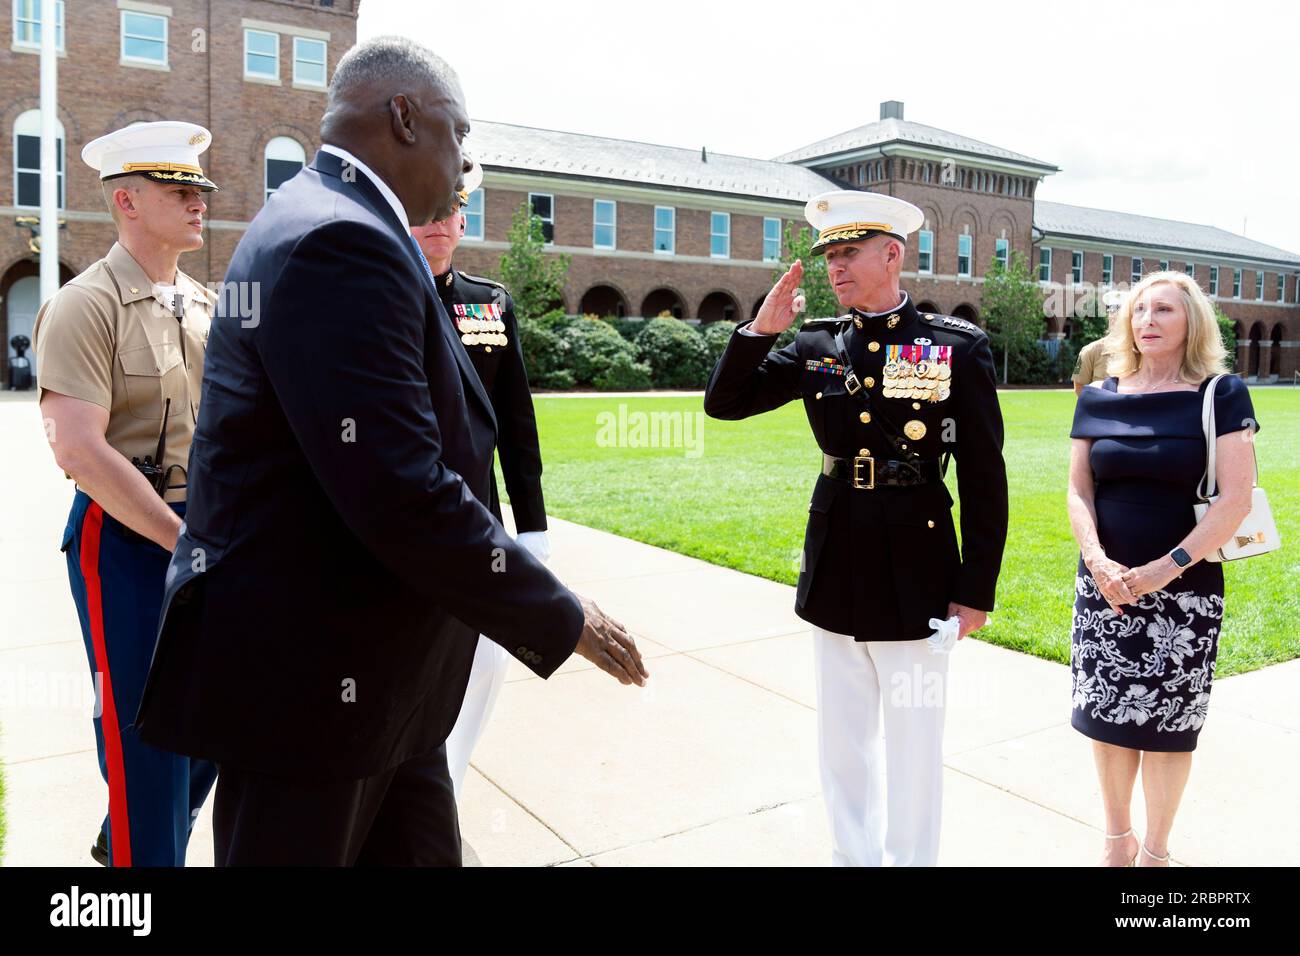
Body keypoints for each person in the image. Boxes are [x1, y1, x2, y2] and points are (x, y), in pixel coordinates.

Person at [132, 37, 647, 867]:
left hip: (377, 692)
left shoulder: (336, 218)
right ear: (404, 117)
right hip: (314, 695)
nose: (463, 160)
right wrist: (558, 613)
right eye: (458, 133)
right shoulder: (340, 241)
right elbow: (398, 489)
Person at [704, 190, 1008, 866]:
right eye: (830, 256)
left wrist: (975, 590)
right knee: (842, 740)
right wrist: (760, 331)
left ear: (891, 254)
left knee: (913, 741)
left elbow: (985, 477)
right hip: (838, 555)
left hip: (920, 567)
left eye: (848, 253)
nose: (834, 267)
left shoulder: (954, 347)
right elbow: (724, 404)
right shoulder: (816, 345)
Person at [32, 121, 220, 867]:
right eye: (181, 190)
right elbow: (78, 449)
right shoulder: (86, 304)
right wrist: (183, 542)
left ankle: (134, 834)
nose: (200, 201)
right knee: (144, 731)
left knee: (219, 718)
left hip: (205, 530)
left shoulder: (206, 304)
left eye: (200, 189)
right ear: (127, 201)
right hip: (125, 542)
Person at [1067, 271, 1257, 867]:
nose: (1147, 319)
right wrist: (1097, 561)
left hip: (1185, 590)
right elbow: (1078, 489)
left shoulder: (1220, 394)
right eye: (1139, 309)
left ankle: (1156, 852)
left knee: (1170, 725)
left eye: (1164, 310)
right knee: (1107, 715)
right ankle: (1116, 841)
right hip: (1104, 586)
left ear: (1191, 322)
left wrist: (1164, 569)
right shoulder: (1100, 394)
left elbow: (1235, 500)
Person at [411, 160, 552, 799]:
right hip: (409, 516)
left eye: (450, 211)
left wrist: (536, 529)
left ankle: (450, 794)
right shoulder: (382, 295)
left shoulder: (489, 302)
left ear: (463, 218)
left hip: (484, 518)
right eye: (426, 211)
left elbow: (518, 425)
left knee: (485, 662)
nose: (439, 223)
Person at [1073, 289, 1125, 395]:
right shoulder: (1090, 351)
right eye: (1112, 311)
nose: (1115, 316)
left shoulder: (1142, 351)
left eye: (1121, 313)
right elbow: (1079, 390)